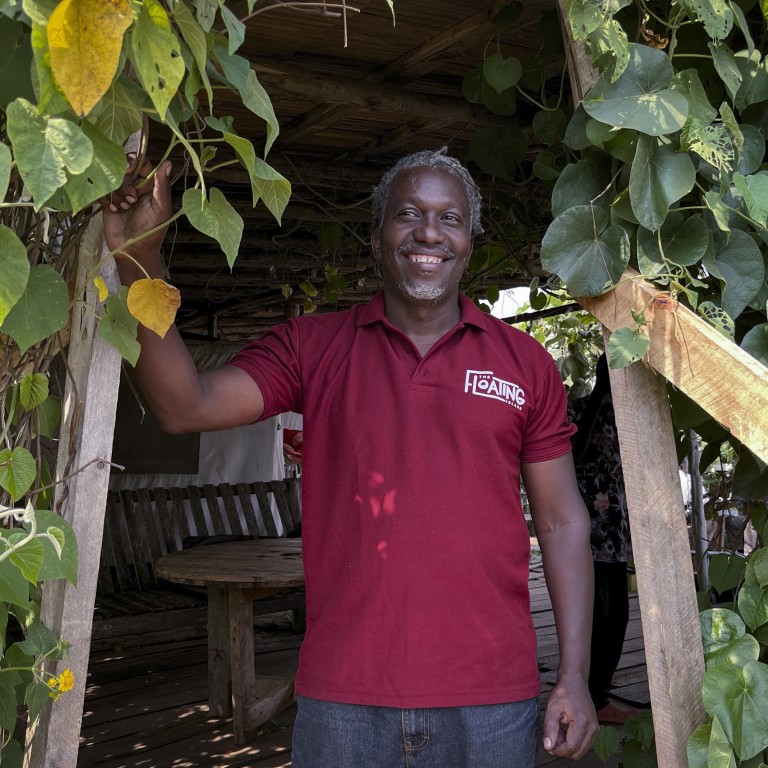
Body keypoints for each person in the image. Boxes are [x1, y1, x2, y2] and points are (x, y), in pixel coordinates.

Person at [102, 148, 598, 767]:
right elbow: (185, 405)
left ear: (469, 241)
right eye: (408, 214)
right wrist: (139, 254)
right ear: (375, 237)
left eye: (449, 219)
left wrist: (574, 675)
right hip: (345, 699)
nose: (428, 232)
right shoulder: (313, 346)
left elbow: (561, 521)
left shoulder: (526, 364)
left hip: (492, 698)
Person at [570, 353, 637, 725]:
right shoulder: (582, 408)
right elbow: (574, 450)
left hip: (616, 533)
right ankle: (592, 698)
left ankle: (598, 695)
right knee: (596, 616)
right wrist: (599, 392)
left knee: (617, 617)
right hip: (587, 534)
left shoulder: (632, 413)